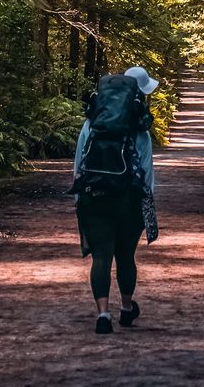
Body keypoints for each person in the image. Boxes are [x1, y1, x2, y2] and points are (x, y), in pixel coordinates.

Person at [72, 66, 159, 334]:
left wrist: (79, 199)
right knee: (125, 256)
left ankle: (103, 315)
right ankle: (126, 308)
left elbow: (79, 163)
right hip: (128, 200)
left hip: (94, 197)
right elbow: (146, 172)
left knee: (101, 257)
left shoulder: (92, 122)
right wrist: (147, 204)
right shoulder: (140, 128)